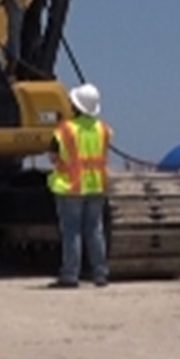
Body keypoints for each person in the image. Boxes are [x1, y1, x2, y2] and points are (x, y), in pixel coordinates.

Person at [48, 82, 112, 288]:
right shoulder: (103, 129)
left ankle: (70, 274)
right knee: (95, 230)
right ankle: (100, 273)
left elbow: (53, 157)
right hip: (96, 186)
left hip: (71, 187)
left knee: (72, 232)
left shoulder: (65, 130)